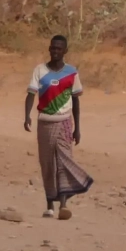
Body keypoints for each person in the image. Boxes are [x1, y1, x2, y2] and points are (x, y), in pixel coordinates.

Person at [24, 34, 95, 219]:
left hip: (64, 122)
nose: (55, 51)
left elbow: (76, 101)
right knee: (47, 164)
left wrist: (77, 128)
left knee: (64, 160)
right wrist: (27, 116)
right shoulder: (39, 70)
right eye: (53, 48)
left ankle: (63, 204)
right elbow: (31, 94)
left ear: (65, 51)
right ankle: (49, 204)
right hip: (44, 122)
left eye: (59, 48)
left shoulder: (72, 73)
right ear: (49, 49)